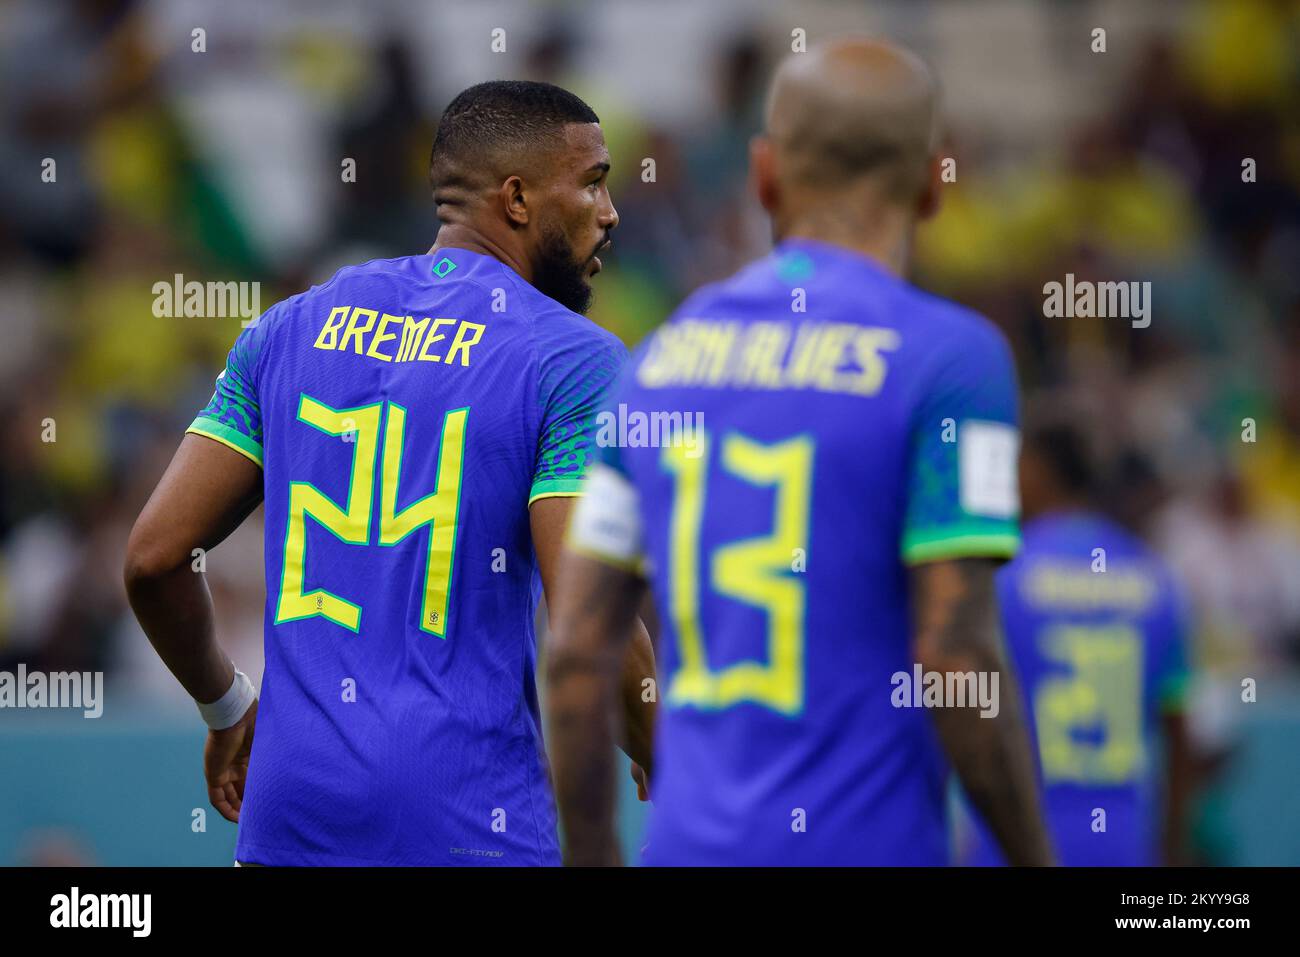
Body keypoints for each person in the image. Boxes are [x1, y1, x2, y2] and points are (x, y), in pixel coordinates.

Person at [545, 37, 1053, 866]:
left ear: (765, 172)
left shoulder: (659, 360)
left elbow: (576, 647)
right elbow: (955, 651)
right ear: (932, 182)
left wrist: (595, 850)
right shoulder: (955, 361)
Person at [123, 80, 655, 866]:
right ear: (516, 199)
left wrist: (227, 704)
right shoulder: (571, 359)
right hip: (471, 827)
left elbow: (154, 557)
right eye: (594, 181)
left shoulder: (290, 327)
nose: (609, 212)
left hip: (289, 824)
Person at [960, 417, 1195, 866]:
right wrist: (1171, 845)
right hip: (1122, 844)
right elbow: (1181, 731)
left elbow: (963, 709)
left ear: (1040, 471)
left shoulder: (1003, 578)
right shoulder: (1152, 577)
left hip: (1015, 845)